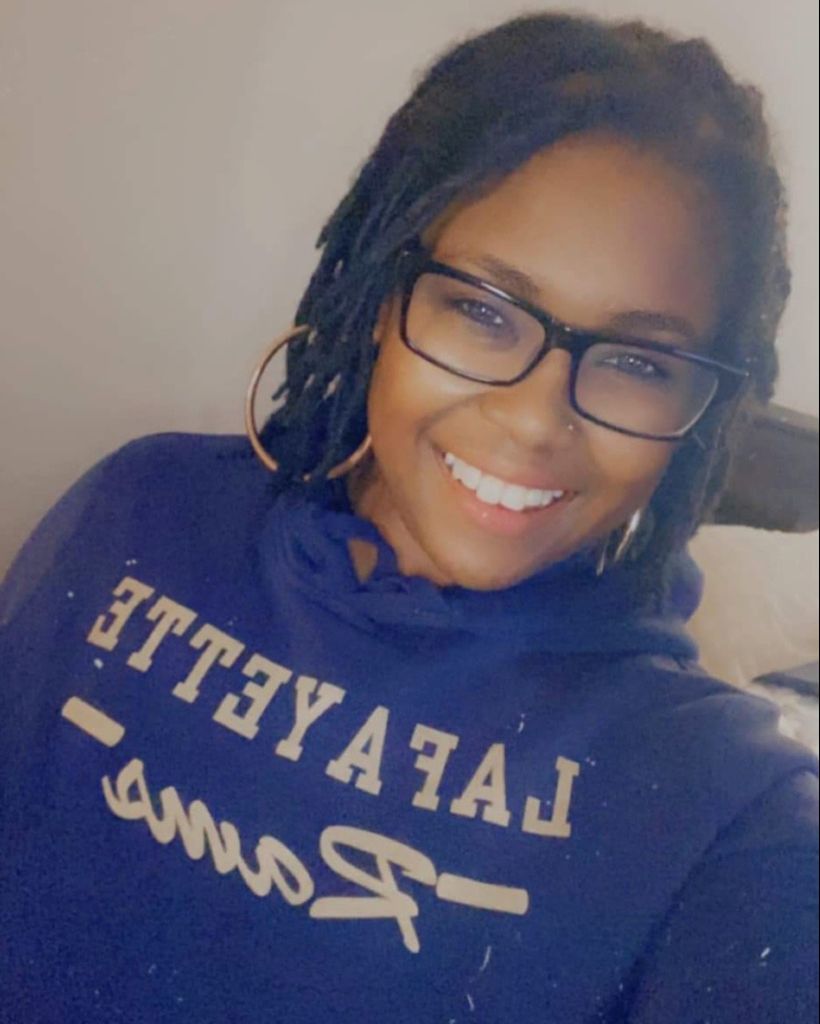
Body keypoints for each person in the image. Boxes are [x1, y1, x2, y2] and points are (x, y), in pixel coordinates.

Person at [1, 12, 817, 1023]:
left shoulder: (724, 809)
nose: (534, 420)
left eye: (640, 362)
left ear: (702, 415)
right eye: (482, 310)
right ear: (385, 296)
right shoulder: (142, 511)